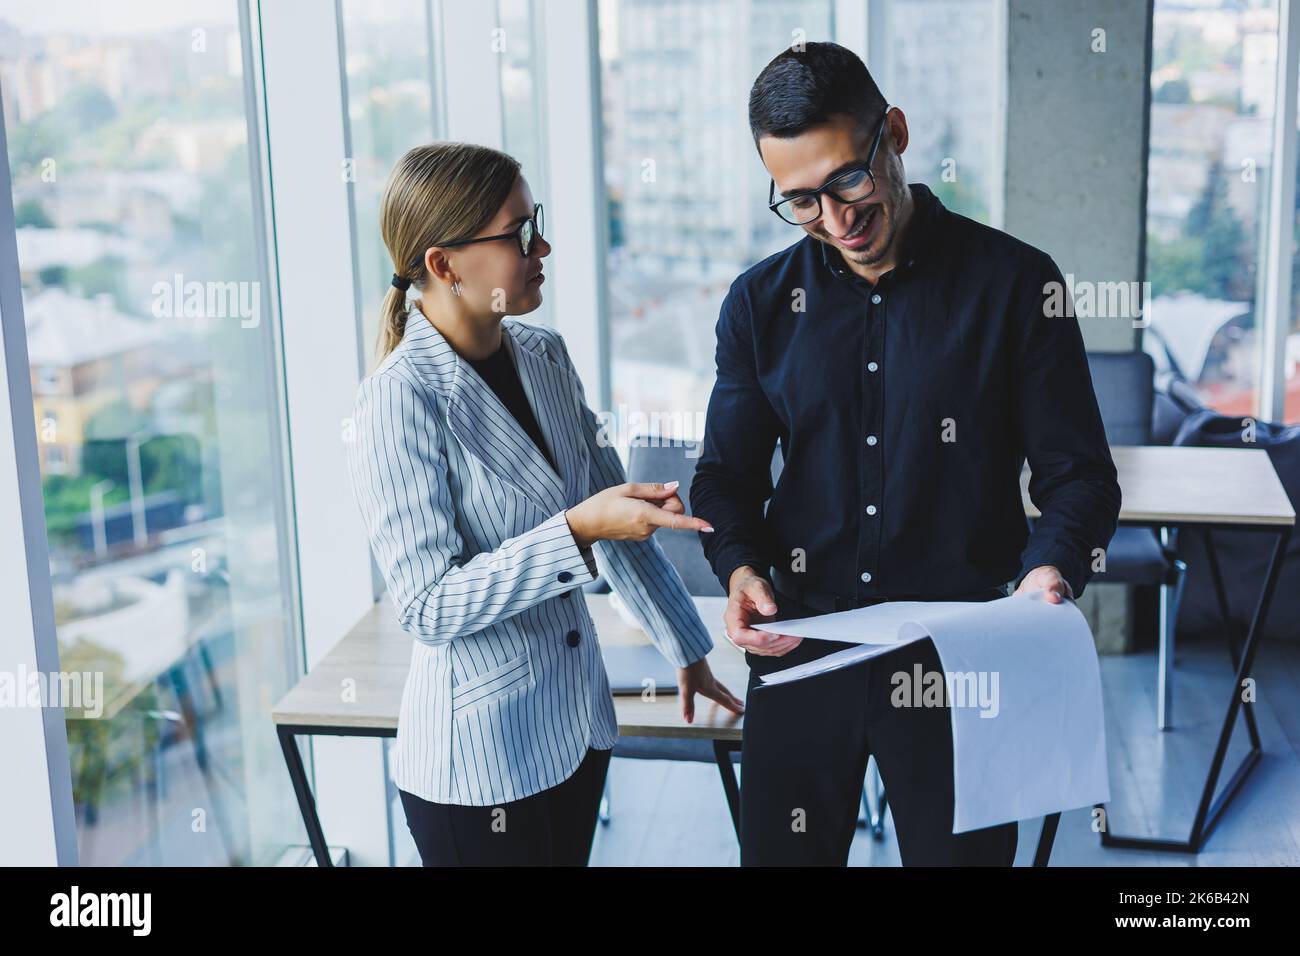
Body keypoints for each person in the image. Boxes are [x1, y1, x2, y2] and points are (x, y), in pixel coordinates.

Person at [690, 42, 1121, 866]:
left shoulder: (1019, 283)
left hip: (961, 655)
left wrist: (1051, 569)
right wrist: (741, 570)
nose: (838, 218)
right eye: (802, 201)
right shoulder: (756, 304)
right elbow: (725, 477)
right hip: (801, 644)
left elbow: (1079, 477)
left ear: (894, 132)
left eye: (848, 178)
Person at [348, 142, 744, 866]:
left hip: (576, 732)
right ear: (443, 264)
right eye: (519, 234)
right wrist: (574, 531)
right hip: (479, 769)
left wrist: (687, 648)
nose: (544, 247)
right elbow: (428, 606)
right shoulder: (399, 399)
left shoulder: (546, 356)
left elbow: (623, 520)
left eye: (538, 224)